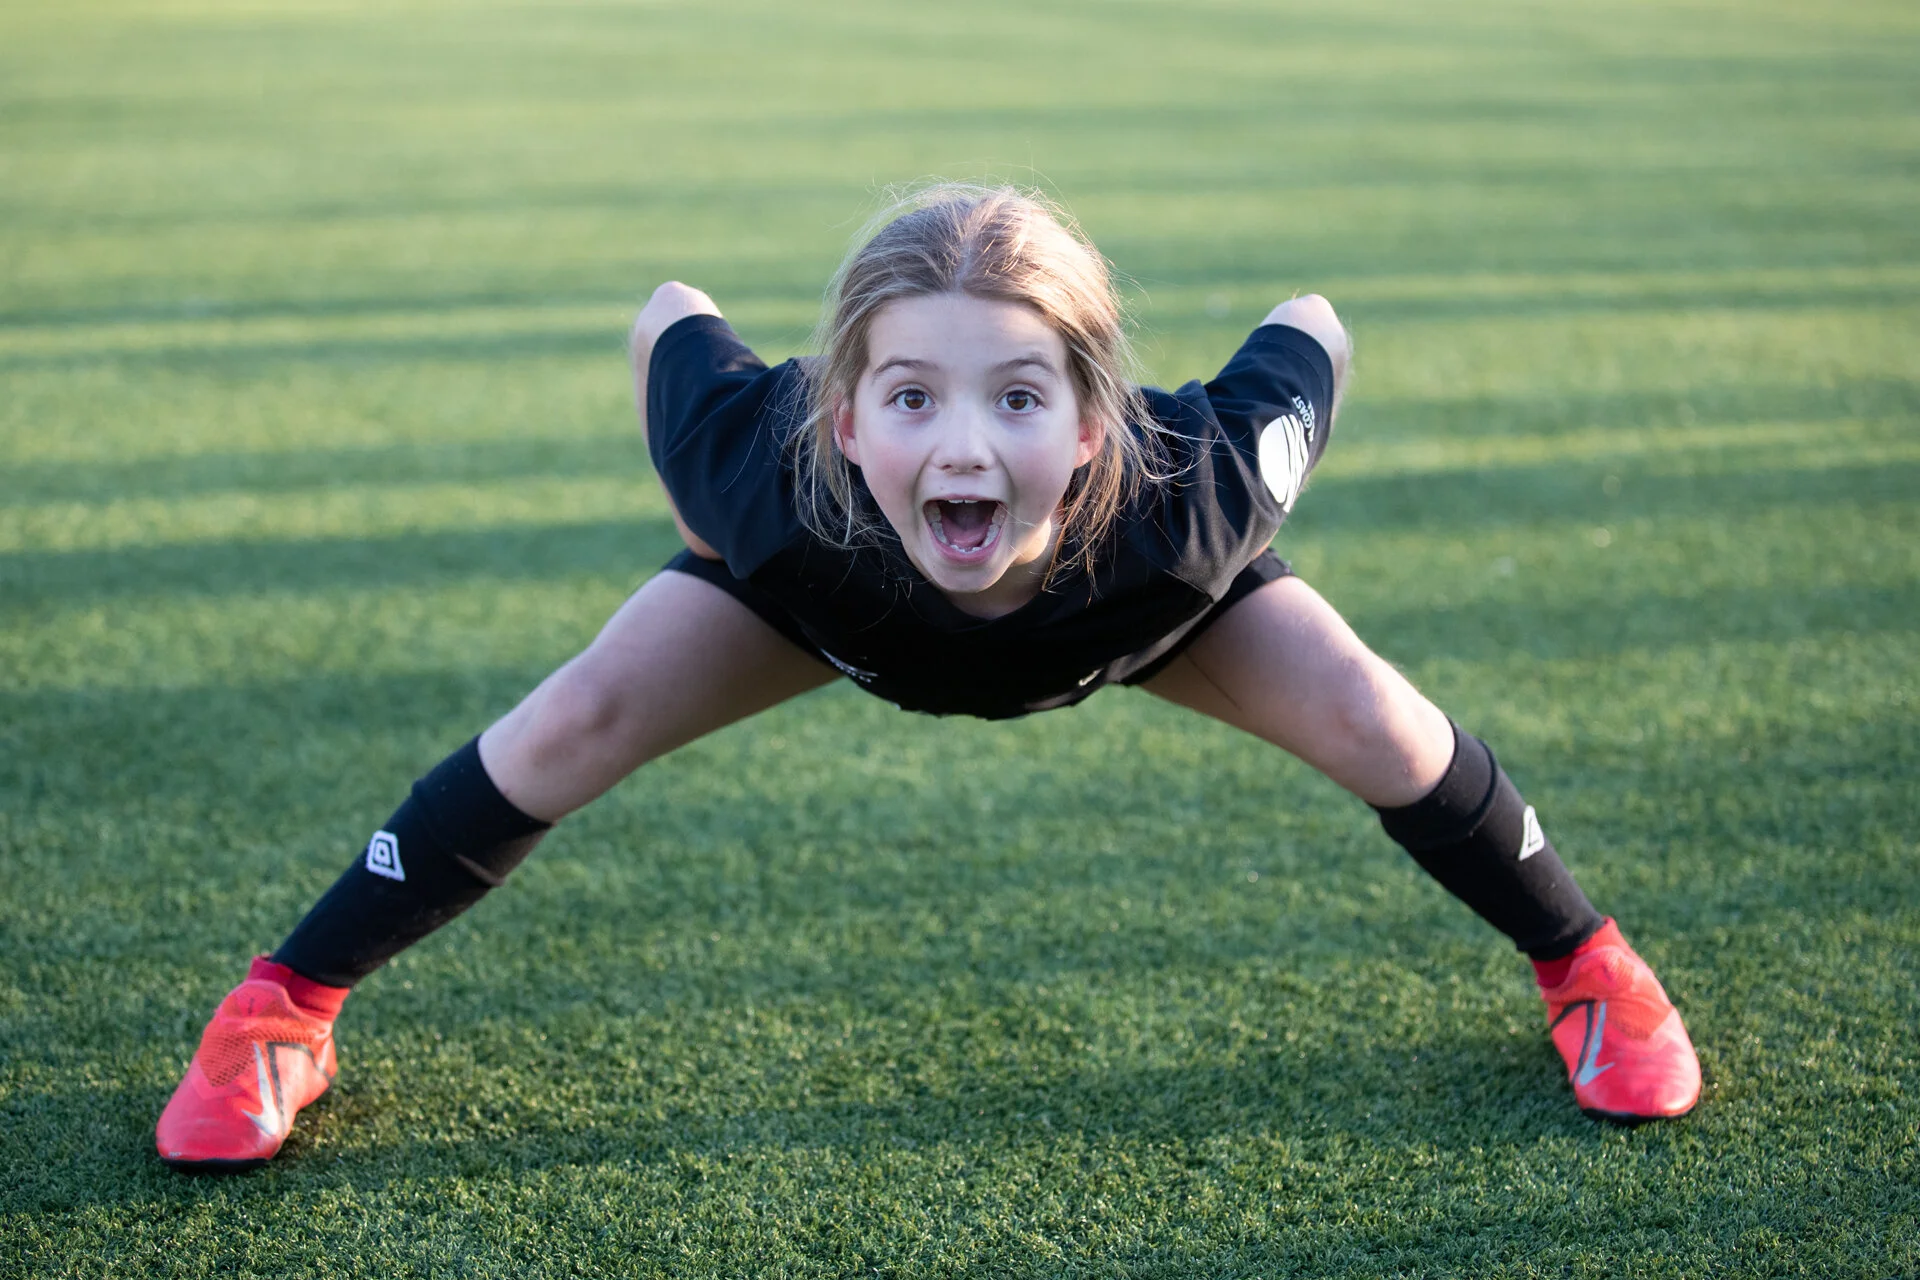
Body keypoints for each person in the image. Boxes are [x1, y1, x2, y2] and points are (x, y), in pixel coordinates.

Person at [156, 185, 1700, 1170]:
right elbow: (668, 317)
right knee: (580, 713)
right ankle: (280, 1008)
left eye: (1020, 396)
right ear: (844, 420)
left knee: (1375, 711)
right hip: (829, 600)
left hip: (1134, 615)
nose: (963, 444)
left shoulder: (1195, 500)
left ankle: (1593, 975)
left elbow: (1314, 328)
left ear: (1093, 424)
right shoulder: (766, 487)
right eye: (910, 396)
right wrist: (710, 533)